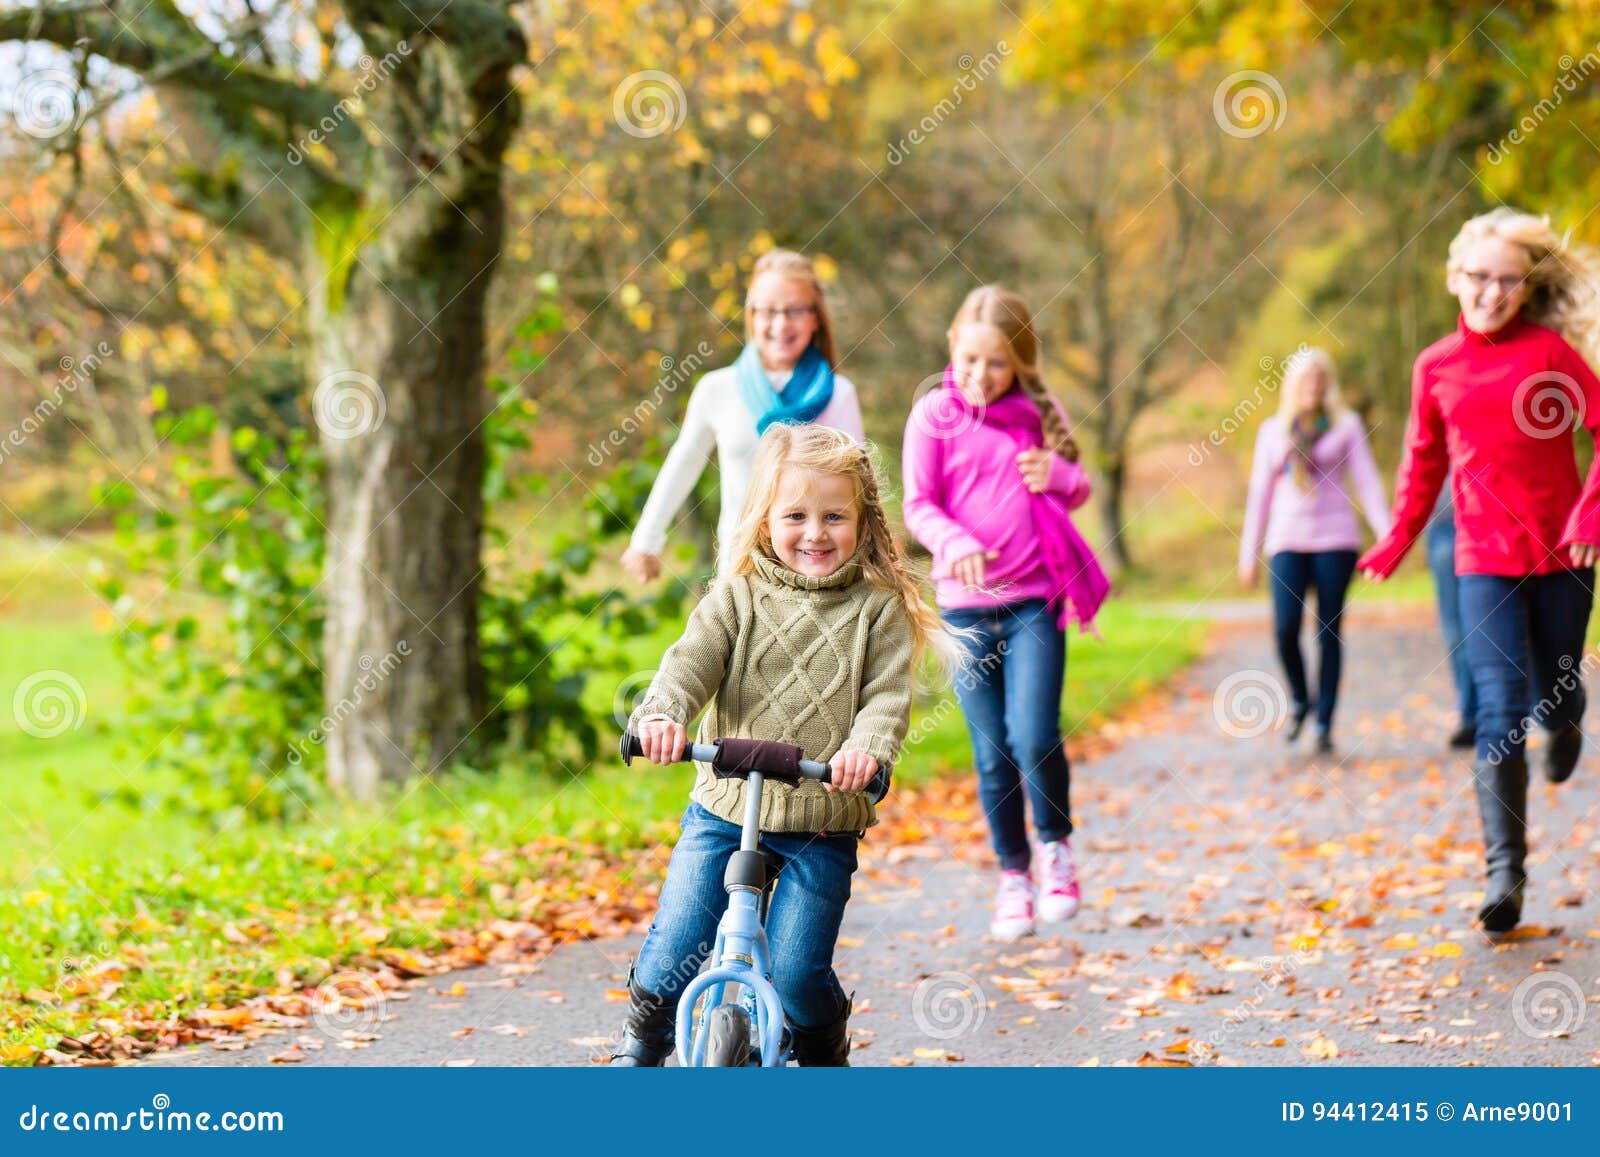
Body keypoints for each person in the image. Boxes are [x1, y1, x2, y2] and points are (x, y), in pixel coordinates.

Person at [610, 424, 956, 1065]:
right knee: (670, 955)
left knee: (797, 973)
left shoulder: (876, 610)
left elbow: (885, 700)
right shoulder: (735, 599)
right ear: (765, 520)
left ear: (863, 522)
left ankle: (822, 1047)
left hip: (821, 821)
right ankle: (643, 1042)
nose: (815, 532)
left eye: (834, 516)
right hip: (723, 809)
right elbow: (689, 666)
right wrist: (662, 716)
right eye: (795, 514)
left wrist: (866, 750)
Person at [1358, 207, 1600, 933]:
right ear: (1453, 278)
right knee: (1496, 709)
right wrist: (1399, 535)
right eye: (1479, 277)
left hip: (1563, 553)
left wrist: (1591, 514)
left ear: (1526, 289)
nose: (1491, 293)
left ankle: (1566, 721)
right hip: (1483, 558)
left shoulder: (1552, 353)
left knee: (1551, 694)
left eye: (1507, 281)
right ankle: (1505, 874)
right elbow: (1423, 458)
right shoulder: (1434, 365)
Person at [902, 285, 1108, 942]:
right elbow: (917, 503)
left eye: (995, 363)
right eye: (968, 360)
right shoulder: (933, 414)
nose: (978, 376)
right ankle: (1012, 874)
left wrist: (1057, 474)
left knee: (1034, 733)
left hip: (1032, 603)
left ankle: (1054, 849)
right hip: (965, 612)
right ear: (951, 350)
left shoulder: (1041, 413)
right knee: (992, 753)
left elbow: (1079, 485)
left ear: (1019, 361)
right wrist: (953, 540)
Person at [621, 250, 864, 581]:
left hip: (817, 570)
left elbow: (860, 489)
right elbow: (683, 464)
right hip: (740, 568)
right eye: (768, 311)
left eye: (794, 311)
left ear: (815, 317)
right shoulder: (717, 389)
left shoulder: (839, 394)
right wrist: (646, 540)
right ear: (752, 316)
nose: (780, 324)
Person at [1238, 348, 1391, 754]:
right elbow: (1260, 496)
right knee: (1285, 630)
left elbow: (1368, 483)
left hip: (1335, 541)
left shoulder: (1346, 426)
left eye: (1321, 380)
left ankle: (1324, 720)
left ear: (1329, 384)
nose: (1314, 387)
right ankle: (1300, 698)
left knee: (1329, 631)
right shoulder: (1274, 431)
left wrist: (1389, 536)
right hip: (1286, 541)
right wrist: (1247, 554)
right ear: (1292, 385)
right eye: (1307, 380)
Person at [1425, 482, 1478, 749]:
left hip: (1488, 518)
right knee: (1456, 631)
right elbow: (1417, 473)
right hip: (1444, 524)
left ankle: (1499, 709)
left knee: (1486, 626)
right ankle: (1470, 714)